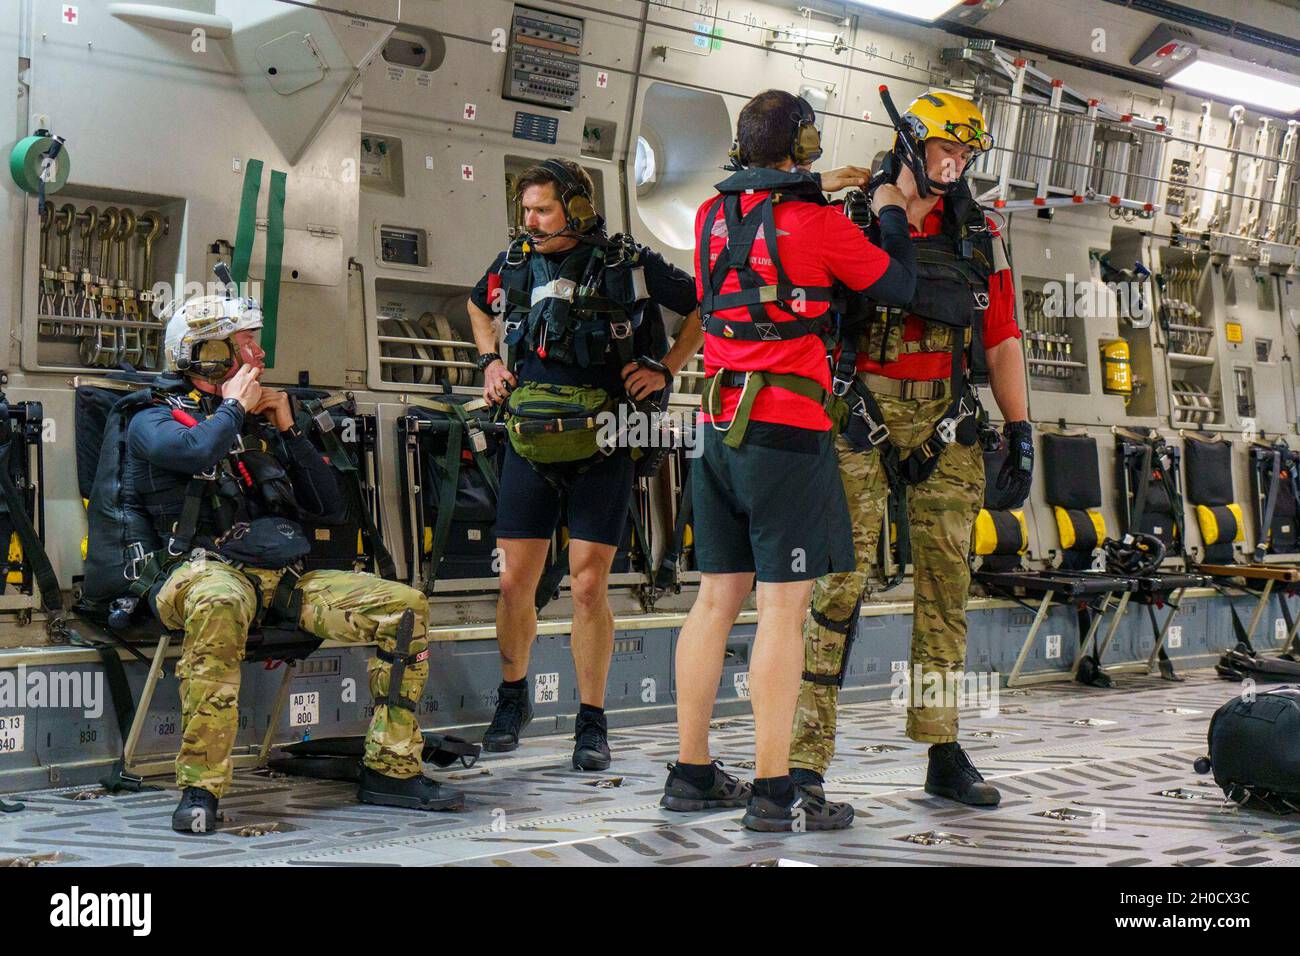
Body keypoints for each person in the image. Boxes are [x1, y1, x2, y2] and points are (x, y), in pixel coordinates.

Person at [661, 90, 917, 832]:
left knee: (714, 601)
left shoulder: (708, 217)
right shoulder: (817, 224)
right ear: (803, 145)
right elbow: (896, 283)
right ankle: (774, 792)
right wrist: (889, 208)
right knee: (782, 609)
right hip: (787, 433)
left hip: (717, 430)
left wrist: (818, 190)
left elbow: (759, 231)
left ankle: (691, 772)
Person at [124, 286, 464, 834]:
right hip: (194, 575)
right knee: (219, 601)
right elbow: (194, 451)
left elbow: (329, 506)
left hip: (278, 579)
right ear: (208, 355)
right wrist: (235, 408)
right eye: (246, 344)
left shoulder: (258, 420)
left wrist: (287, 425)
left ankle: (391, 768)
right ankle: (200, 788)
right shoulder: (151, 417)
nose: (259, 355)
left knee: (403, 608)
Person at [790, 89, 1032, 807]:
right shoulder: (850, 216)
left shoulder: (980, 235)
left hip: (947, 420)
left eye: (966, 153)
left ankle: (942, 746)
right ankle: (804, 758)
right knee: (837, 588)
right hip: (857, 416)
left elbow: (1002, 339)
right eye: (945, 149)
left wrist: (1021, 430)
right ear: (910, 143)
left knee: (946, 589)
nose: (955, 164)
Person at [466, 159, 702, 770]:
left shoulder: (629, 264)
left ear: (576, 209)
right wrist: (491, 362)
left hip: (605, 443)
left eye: (543, 210)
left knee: (590, 585)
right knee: (513, 583)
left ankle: (591, 721)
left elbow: (702, 305)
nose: (531, 221)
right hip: (530, 444)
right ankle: (512, 700)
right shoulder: (513, 262)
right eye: (526, 210)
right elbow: (476, 305)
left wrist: (667, 368)